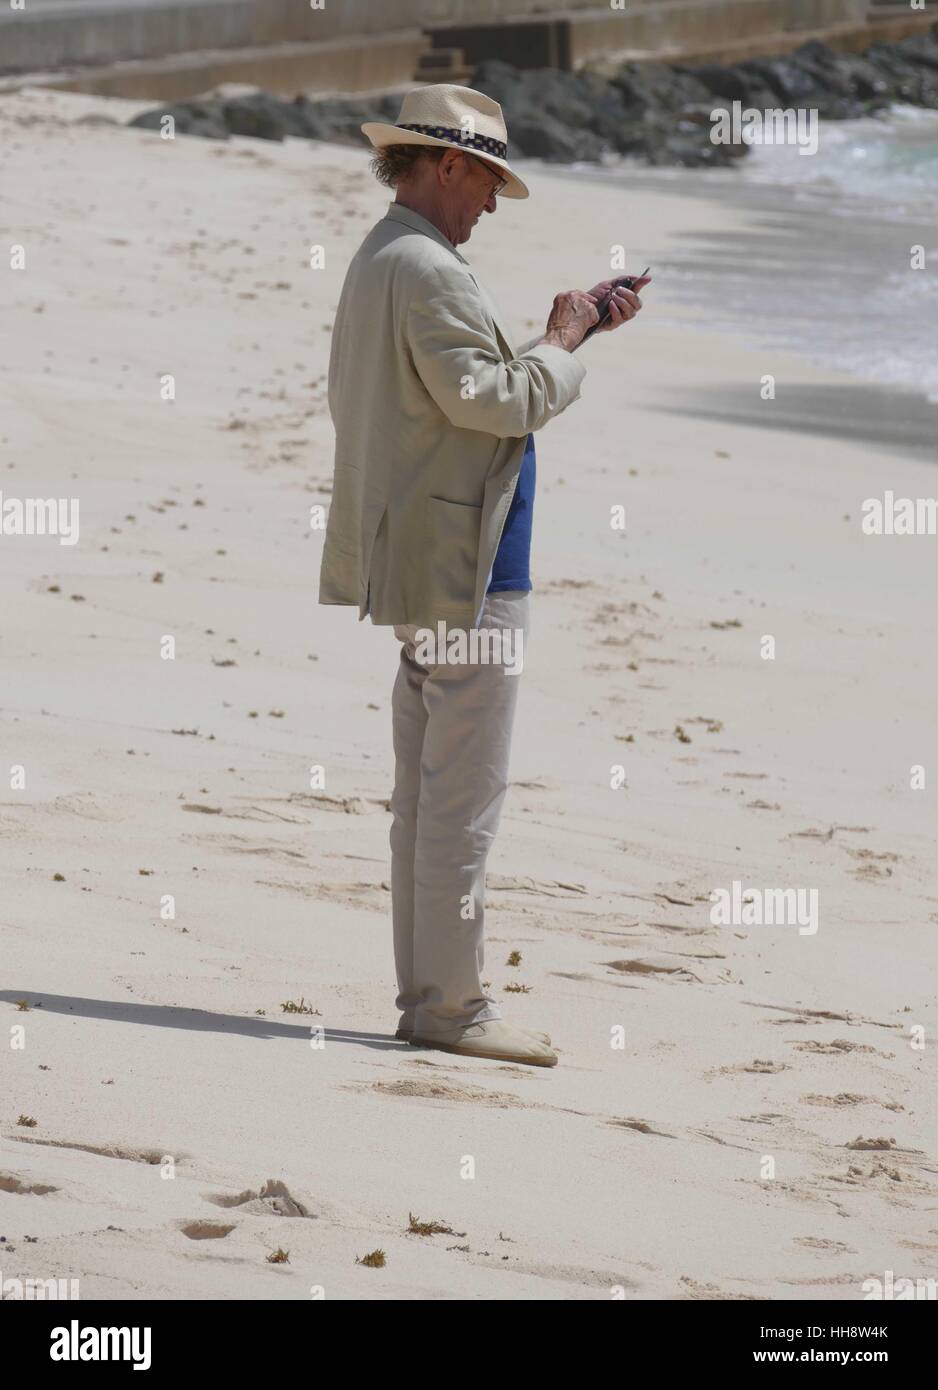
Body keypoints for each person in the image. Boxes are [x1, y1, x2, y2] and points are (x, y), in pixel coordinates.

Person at [319, 84, 647, 1067]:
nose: (491, 205)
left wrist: (561, 327)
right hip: (467, 572)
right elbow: (496, 403)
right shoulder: (423, 267)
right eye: (487, 181)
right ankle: (449, 1008)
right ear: (446, 163)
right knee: (459, 798)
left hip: (422, 558)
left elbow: (454, 391)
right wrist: (564, 344)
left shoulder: (387, 257)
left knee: (427, 799)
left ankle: (433, 998)